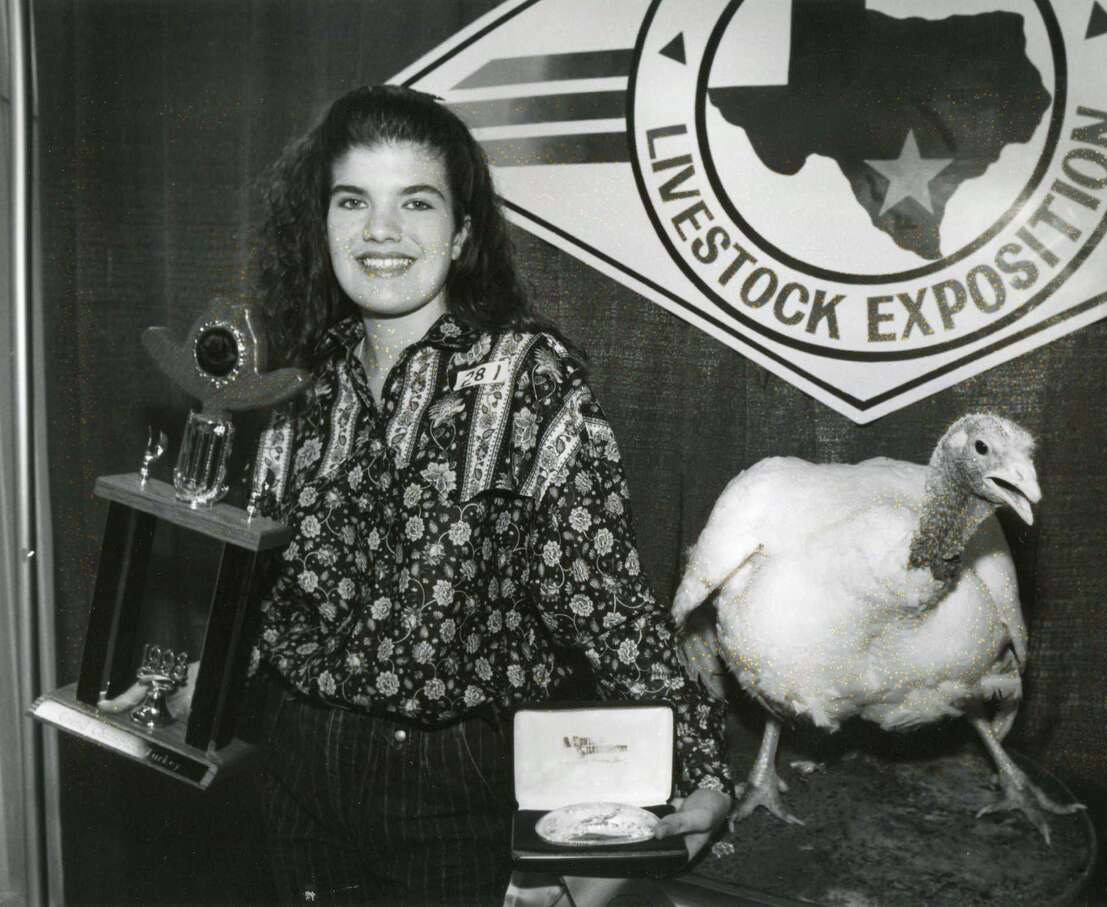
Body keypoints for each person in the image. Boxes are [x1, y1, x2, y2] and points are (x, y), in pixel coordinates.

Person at [145, 84, 731, 905]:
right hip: (297, 765)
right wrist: (196, 682)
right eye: (353, 201)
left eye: (415, 204)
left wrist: (700, 767)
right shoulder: (295, 384)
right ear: (324, 225)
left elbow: (608, 605)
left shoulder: (530, 379)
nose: (380, 231)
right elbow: (278, 597)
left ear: (460, 234)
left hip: (455, 793)